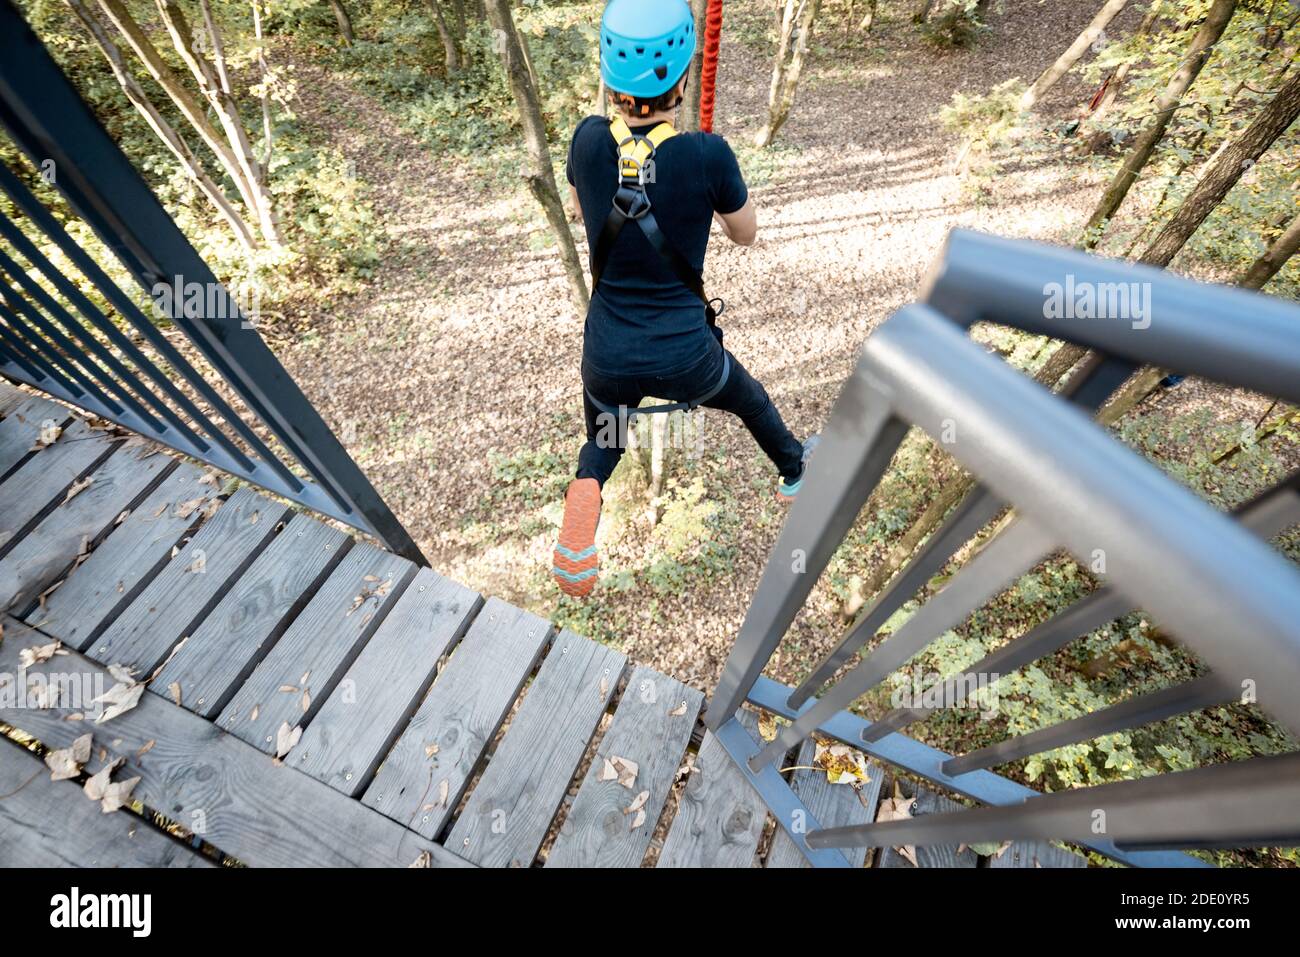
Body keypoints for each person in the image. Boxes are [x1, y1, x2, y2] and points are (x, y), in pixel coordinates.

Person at [552, 0, 815, 598]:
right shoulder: (705, 155)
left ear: (609, 76)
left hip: (608, 354)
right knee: (748, 399)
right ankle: (795, 470)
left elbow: (580, 209)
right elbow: (745, 233)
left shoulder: (588, 140)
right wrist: (702, 200)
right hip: (686, 356)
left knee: (607, 435)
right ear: (685, 75)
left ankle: (587, 488)